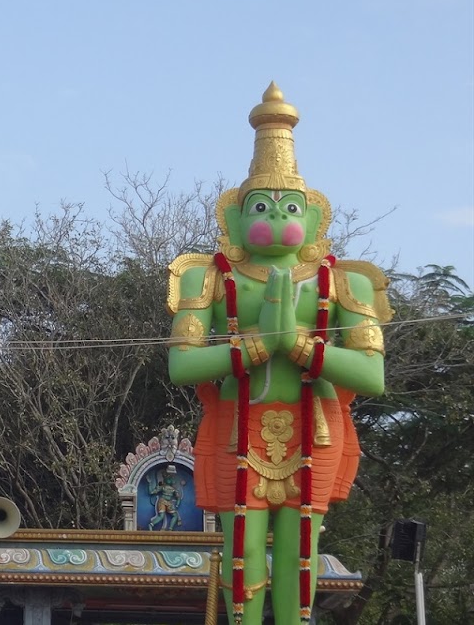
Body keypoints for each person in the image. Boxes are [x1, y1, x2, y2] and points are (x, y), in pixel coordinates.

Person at [167, 83, 389, 623]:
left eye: (289, 207)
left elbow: (371, 374)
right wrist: (254, 350)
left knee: (300, 554)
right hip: (236, 427)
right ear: (235, 221)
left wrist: (295, 344)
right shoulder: (209, 279)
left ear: (313, 221)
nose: (274, 217)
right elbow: (182, 366)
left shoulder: (344, 284)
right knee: (241, 552)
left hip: (313, 428)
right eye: (259, 207)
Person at [145, 466, 183, 531]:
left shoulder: (174, 489)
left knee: (175, 516)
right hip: (162, 501)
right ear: (165, 479)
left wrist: (177, 504)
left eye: (171, 478)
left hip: (169, 503)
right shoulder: (162, 487)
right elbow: (151, 492)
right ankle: (151, 524)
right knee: (161, 516)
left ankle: (170, 529)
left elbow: (178, 497)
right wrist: (149, 483)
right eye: (169, 478)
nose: (171, 479)